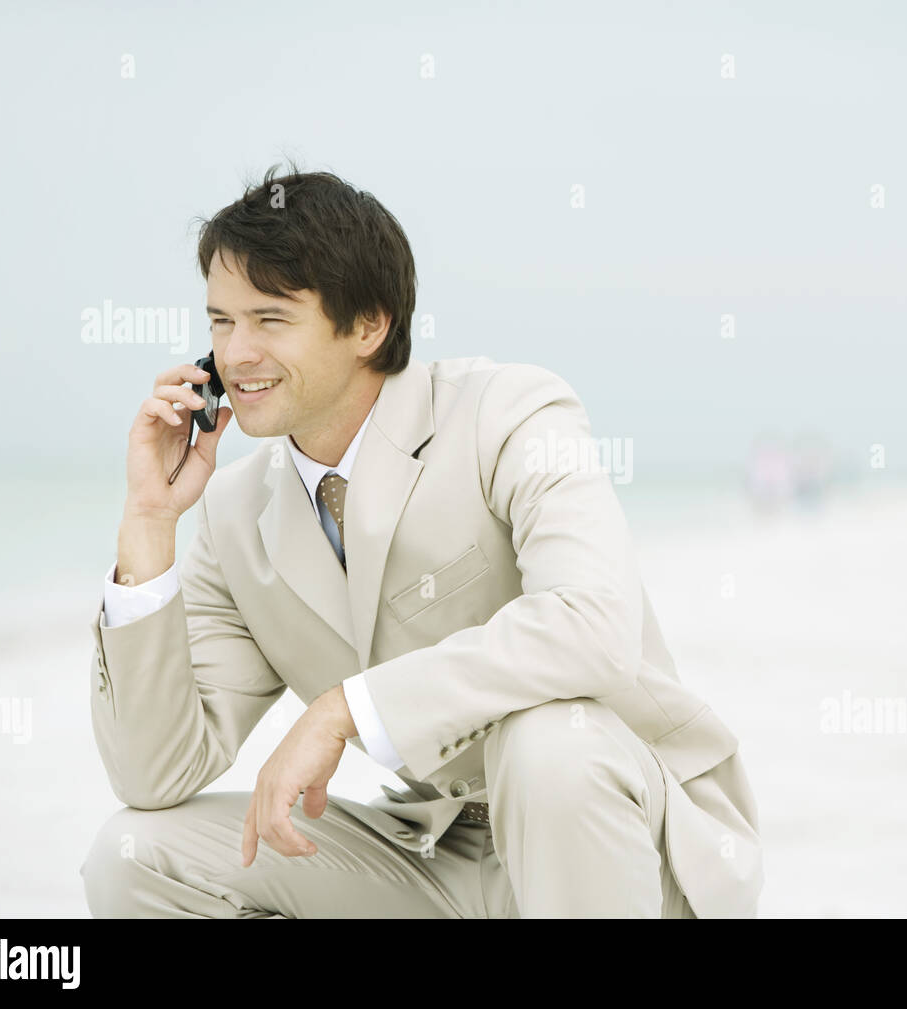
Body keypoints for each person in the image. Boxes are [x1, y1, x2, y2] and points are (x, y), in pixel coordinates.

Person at [80, 165, 763, 918]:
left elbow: (593, 626)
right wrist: (149, 520)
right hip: (439, 852)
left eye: (270, 319)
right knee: (133, 857)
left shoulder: (510, 412)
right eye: (220, 321)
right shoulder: (234, 514)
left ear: (368, 323)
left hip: (621, 843)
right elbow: (154, 773)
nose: (236, 353)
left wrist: (346, 708)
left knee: (550, 743)